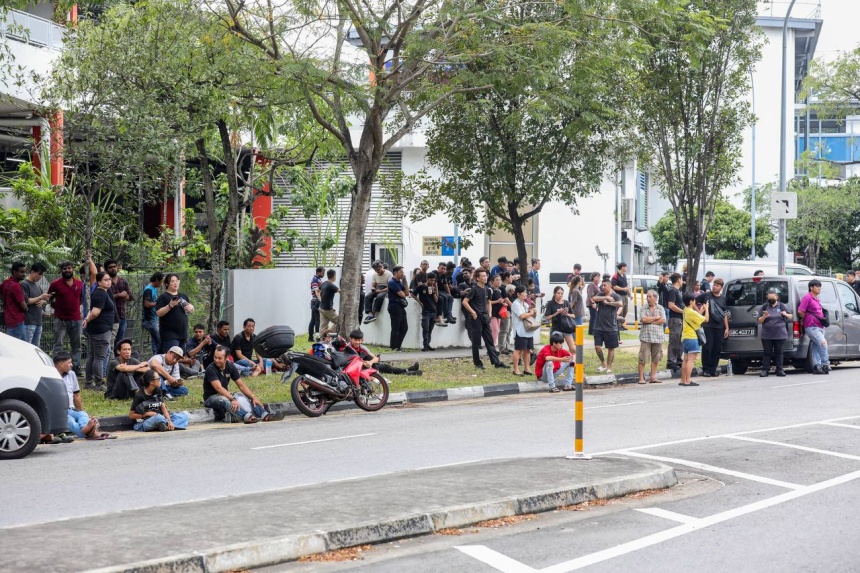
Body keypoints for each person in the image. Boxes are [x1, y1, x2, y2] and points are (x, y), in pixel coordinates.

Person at [203, 346, 285, 423]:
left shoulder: (230, 366)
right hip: (211, 398)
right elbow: (218, 388)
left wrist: (253, 397)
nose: (216, 360)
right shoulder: (211, 369)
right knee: (226, 401)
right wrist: (232, 399)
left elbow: (241, 385)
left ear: (226, 358)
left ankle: (265, 415)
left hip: (224, 395)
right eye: (215, 357)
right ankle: (247, 417)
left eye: (219, 358)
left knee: (246, 397)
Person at [54, 351, 113, 440]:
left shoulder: (72, 374)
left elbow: (76, 395)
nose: (71, 365)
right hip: (59, 411)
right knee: (71, 422)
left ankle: (87, 429)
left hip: (71, 409)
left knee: (83, 414)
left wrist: (79, 410)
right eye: (69, 363)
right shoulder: (51, 376)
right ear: (61, 364)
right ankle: (90, 431)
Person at [462, 268, 506, 370]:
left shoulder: (487, 289)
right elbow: (465, 302)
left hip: (485, 317)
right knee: (476, 342)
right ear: (477, 278)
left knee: (489, 341)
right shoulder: (474, 289)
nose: (485, 277)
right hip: (476, 318)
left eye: (486, 276)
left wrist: (489, 313)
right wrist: (473, 312)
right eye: (483, 276)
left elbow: (489, 302)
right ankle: (478, 363)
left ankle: (496, 362)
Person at [82, 271, 116, 392]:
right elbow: (95, 312)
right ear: (99, 282)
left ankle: (89, 381)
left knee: (92, 355)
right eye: (105, 280)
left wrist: (87, 319)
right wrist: (87, 319)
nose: (108, 281)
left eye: (109, 279)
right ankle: (98, 383)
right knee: (99, 357)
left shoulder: (101, 292)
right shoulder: (100, 294)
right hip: (101, 330)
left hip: (97, 329)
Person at [48, 261, 84, 373]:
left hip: (76, 319)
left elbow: (81, 299)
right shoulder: (55, 284)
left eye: (69, 268)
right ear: (61, 271)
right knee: (58, 345)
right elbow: (50, 298)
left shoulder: (79, 283)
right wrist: (58, 308)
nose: (67, 270)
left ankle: (76, 368)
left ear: (73, 269)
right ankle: (58, 368)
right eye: (64, 268)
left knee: (77, 346)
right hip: (60, 319)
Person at [344, 329, 421, 375]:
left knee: (385, 367)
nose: (357, 342)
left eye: (359, 340)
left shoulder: (362, 347)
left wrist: (370, 362)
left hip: (366, 366)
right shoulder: (346, 347)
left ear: (362, 340)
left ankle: (408, 370)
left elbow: (376, 358)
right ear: (351, 339)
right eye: (355, 340)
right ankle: (408, 371)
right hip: (354, 369)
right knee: (383, 367)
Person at [696, 278, 729, 377]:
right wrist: (699, 313)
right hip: (707, 325)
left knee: (717, 348)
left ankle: (713, 369)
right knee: (707, 347)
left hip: (719, 327)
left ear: (721, 288)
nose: (715, 286)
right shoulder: (706, 295)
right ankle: (706, 369)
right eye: (714, 284)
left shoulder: (723, 299)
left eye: (717, 285)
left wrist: (727, 327)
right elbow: (693, 301)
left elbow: (724, 314)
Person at [757, 288, 792, 377]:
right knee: (767, 352)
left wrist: (785, 314)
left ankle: (780, 370)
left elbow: (790, 316)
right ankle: (765, 370)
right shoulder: (764, 307)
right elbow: (759, 321)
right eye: (769, 299)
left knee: (779, 352)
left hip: (780, 334)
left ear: (777, 297)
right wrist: (764, 316)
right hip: (767, 335)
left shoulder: (782, 306)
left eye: (772, 298)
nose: (770, 300)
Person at [797, 279, 830, 374]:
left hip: (819, 326)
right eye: (817, 286)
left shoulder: (816, 299)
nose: (819, 288)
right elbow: (800, 311)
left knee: (816, 346)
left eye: (820, 286)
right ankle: (825, 363)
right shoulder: (807, 297)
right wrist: (808, 318)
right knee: (823, 342)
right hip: (812, 326)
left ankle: (817, 366)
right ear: (811, 288)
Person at [155, 273, 193, 353]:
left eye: (176, 281)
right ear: (166, 284)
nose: (175, 283)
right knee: (172, 358)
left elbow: (191, 308)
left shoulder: (183, 296)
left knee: (181, 359)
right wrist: (170, 305)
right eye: (172, 281)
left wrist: (191, 308)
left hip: (183, 333)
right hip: (170, 335)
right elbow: (158, 313)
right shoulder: (163, 297)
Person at [591, 279, 622, 373]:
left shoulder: (616, 295)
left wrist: (609, 303)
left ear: (610, 286)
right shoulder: (601, 294)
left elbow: (620, 304)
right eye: (602, 286)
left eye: (605, 285)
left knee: (611, 348)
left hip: (611, 327)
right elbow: (594, 299)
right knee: (597, 347)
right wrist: (606, 298)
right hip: (599, 326)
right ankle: (603, 364)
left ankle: (608, 367)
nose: (603, 287)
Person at [638, 290, 666, 384]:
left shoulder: (660, 308)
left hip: (658, 337)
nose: (648, 299)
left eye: (650, 297)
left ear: (655, 298)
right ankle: (641, 378)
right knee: (643, 357)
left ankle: (653, 377)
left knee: (656, 358)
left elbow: (663, 320)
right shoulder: (643, 308)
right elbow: (643, 319)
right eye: (647, 297)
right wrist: (655, 318)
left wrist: (650, 320)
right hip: (646, 336)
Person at [680, 293, 708, 387]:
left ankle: (683, 379)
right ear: (691, 301)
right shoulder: (691, 312)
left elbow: (696, 318)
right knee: (691, 360)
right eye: (694, 300)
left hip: (685, 337)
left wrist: (700, 311)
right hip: (692, 337)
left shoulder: (685, 310)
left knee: (685, 360)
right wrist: (707, 309)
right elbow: (706, 319)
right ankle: (688, 380)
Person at [20, 262, 50, 347]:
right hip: (28, 323)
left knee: (35, 349)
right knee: (27, 348)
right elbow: (26, 301)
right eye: (39, 274)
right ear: (32, 272)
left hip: (38, 323)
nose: (40, 277)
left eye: (42, 275)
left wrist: (43, 301)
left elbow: (39, 301)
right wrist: (40, 297)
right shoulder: (24, 284)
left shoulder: (37, 286)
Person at [105, 259, 132, 346]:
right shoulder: (105, 282)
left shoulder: (123, 281)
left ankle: (117, 359)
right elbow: (105, 297)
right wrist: (120, 295)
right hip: (109, 317)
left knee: (120, 342)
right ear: (106, 269)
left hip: (121, 315)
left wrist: (124, 296)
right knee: (109, 341)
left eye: (114, 267)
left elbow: (130, 297)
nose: (113, 269)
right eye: (110, 267)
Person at [510, 284, 535, 376]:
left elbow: (528, 314)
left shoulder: (525, 304)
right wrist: (531, 313)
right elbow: (522, 316)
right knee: (518, 350)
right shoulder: (515, 304)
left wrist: (532, 310)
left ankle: (527, 368)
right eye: (524, 292)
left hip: (528, 330)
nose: (526, 294)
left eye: (526, 292)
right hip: (519, 330)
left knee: (527, 350)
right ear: (518, 294)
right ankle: (516, 369)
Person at [544, 286, 576, 354]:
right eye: (558, 293)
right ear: (554, 294)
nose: (560, 295)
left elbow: (573, 315)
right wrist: (556, 313)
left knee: (573, 348)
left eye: (561, 293)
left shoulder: (566, 302)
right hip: (556, 329)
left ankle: (574, 362)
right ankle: (557, 362)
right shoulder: (550, 303)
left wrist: (567, 314)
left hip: (567, 328)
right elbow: (547, 317)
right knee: (557, 348)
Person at [1, 261, 28, 341]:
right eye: (21, 272)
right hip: (17, 320)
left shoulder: (5, 283)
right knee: (20, 347)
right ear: (14, 272)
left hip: (9, 319)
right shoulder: (16, 285)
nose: (23, 274)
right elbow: (22, 304)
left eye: (24, 272)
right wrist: (26, 309)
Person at [414, 271, 439, 351]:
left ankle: (428, 344)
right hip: (426, 311)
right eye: (431, 280)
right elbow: (413, 294)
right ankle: (425, 345)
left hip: (433, 310)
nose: (432, 282)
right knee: (425, 329)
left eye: (434, 280)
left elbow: (436, 300)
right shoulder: (421, 287)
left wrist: (434, 293)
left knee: (430, 329)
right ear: (427, 279)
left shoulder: (433, 287)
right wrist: (420, 302)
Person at [665, 272, 685, 372]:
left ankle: (678, 359)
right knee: (674, 339)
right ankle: (671, 361)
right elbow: (671, 305)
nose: (682, 281)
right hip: (675, 319)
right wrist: (683, 311)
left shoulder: (678, 291)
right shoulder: (673, 290)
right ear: (678, 279)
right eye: (681, 279)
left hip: (680, 319)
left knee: (680, 340)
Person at [387, 265, 409, 351]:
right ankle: (393, 346)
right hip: (394, 306)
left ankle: (398, 346)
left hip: (401, 306)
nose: (402, 274)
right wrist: (403, 291)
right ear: (395, 273)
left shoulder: (399, 282)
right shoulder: (392, 282)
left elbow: (406, 293)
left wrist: (405, 281)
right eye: (401, 272)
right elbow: (402, 294)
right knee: (395, 327)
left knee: (404, 327)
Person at [141, 272, 164, 355]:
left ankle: (156, 357)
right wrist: (158, 302)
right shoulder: (148, 289)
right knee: (160, 339)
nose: (161, 284)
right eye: (161, 281)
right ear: (157, 280)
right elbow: (146, 304)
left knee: (155, 340)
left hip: (154, 318)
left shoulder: (154, 289)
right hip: (149, 319)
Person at [318, 269, 340, 338]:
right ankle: (329, 331)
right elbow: (341, 291)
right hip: (328, 309)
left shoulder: (323, 283)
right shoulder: (331, 285)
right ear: (334, 276)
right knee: (340, 322)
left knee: (323, 326)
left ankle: (321, 340)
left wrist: (321, 299)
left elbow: (317, 290)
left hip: (321, 308)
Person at [611, 263, 631, 330]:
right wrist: (623, 289)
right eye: (626, 267)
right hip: (619, 295)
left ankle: (622, 324)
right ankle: (618, 325)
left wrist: (629, 294)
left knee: (625, 309)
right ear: (622, 267)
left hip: (625, 295)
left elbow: (626, 286)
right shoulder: (615, 276)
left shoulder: (624, 276)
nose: (626, 268)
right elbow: (614, 286)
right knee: (620, 309)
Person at [488, 274, 505, 347]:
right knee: (495, 330)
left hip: (499, 314)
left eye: (500, 280)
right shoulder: (490, 290)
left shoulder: (499, 291)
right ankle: (492, 346)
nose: (498, 282)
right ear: (492, 282)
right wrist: (497, 301)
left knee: (497, 331)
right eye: (496, 280)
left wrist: (503, 303)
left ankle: (493, 346)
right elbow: (487, 302)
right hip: (492, 313)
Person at [308, 266, 324, 342]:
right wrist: (320, 301)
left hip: (314, 301)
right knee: (317, 321)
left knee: (313, 320)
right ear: (318, 272)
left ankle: (310, 338)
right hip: (316, 302)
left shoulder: (318, 279)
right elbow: (317, 292)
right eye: (322, 272)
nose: (323, 274)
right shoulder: (315, 280)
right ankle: (317, 338)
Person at [585, 272, 601, 336]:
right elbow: (590, 295)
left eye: (599, 277)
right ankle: (591, 331)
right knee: (593, 317)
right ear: (593, 277)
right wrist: (593, 303)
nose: (599, 278)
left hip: (595, 303)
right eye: (597, 277)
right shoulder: (592, 285)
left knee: (594, 317)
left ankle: (593, 330)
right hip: (591, 303)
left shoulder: (596, 285)